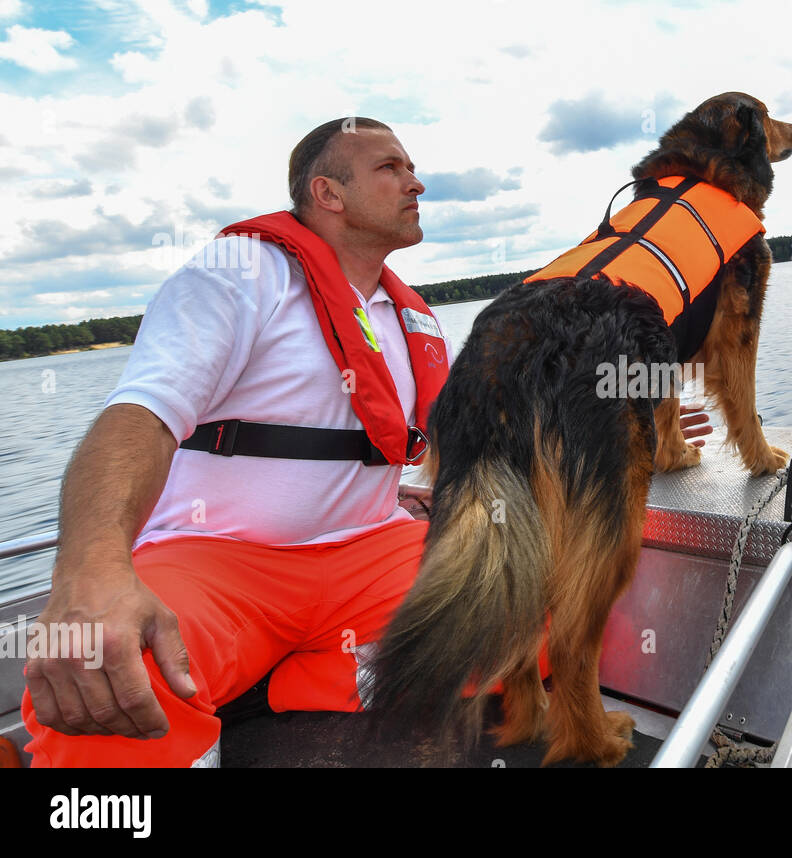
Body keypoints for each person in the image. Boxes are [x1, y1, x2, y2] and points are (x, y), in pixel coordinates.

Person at [21, 117, 712, 767]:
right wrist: (92, 573)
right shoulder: (238, 275)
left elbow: (482, 437)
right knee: (107, 668)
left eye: (413, 168)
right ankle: (290, 677)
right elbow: (138, 415)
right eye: (391, 168)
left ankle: (276, 686)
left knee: (533, 591)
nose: (416, 183)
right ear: (328, 194)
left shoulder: (414, 320)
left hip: (365, 552)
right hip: (222, 560)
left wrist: (644, 425)